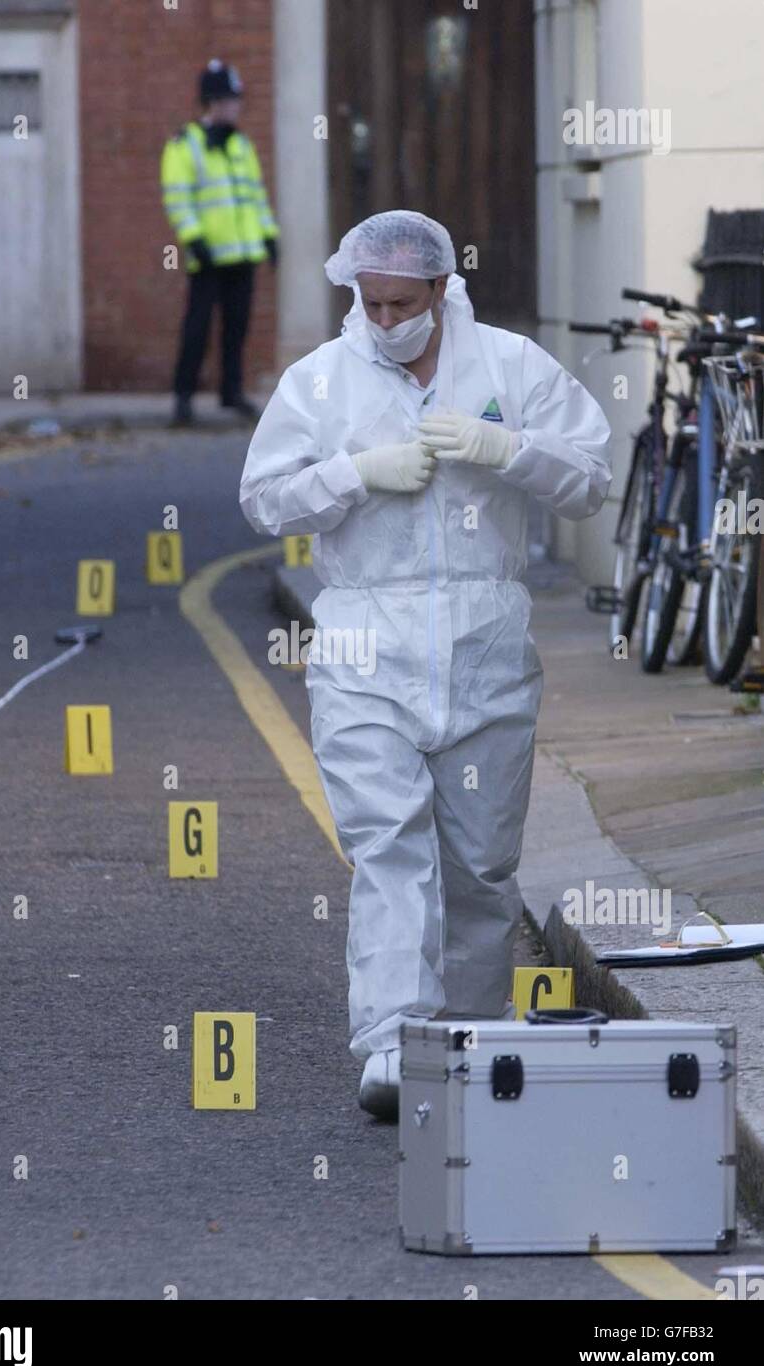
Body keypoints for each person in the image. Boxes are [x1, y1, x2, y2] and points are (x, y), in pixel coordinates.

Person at [239, 211, 612, 1120]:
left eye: (401, 302)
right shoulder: (321, 383)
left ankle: (466, 1038)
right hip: (366, 644)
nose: (383, 317)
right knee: (389, 849)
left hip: (485, 645)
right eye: (369, 302)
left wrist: (507, 450)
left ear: (442, 290)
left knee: (479, 866)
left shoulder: (511, 368)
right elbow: (263, 499)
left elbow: (593, 475)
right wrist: (356, 473)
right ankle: (394, 1042)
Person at [160, 59, 279, 426]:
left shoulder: (241, 144)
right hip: (209, 257)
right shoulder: (185, 145)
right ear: (212, 102)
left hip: (243, 254)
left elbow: (254, 196)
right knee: (196, 329)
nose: (237, 106)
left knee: (236, 327)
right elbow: (177, 197)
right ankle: (183, 398)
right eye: (231, 99)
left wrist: (269, 236)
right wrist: (193, 239)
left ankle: (231, 392)